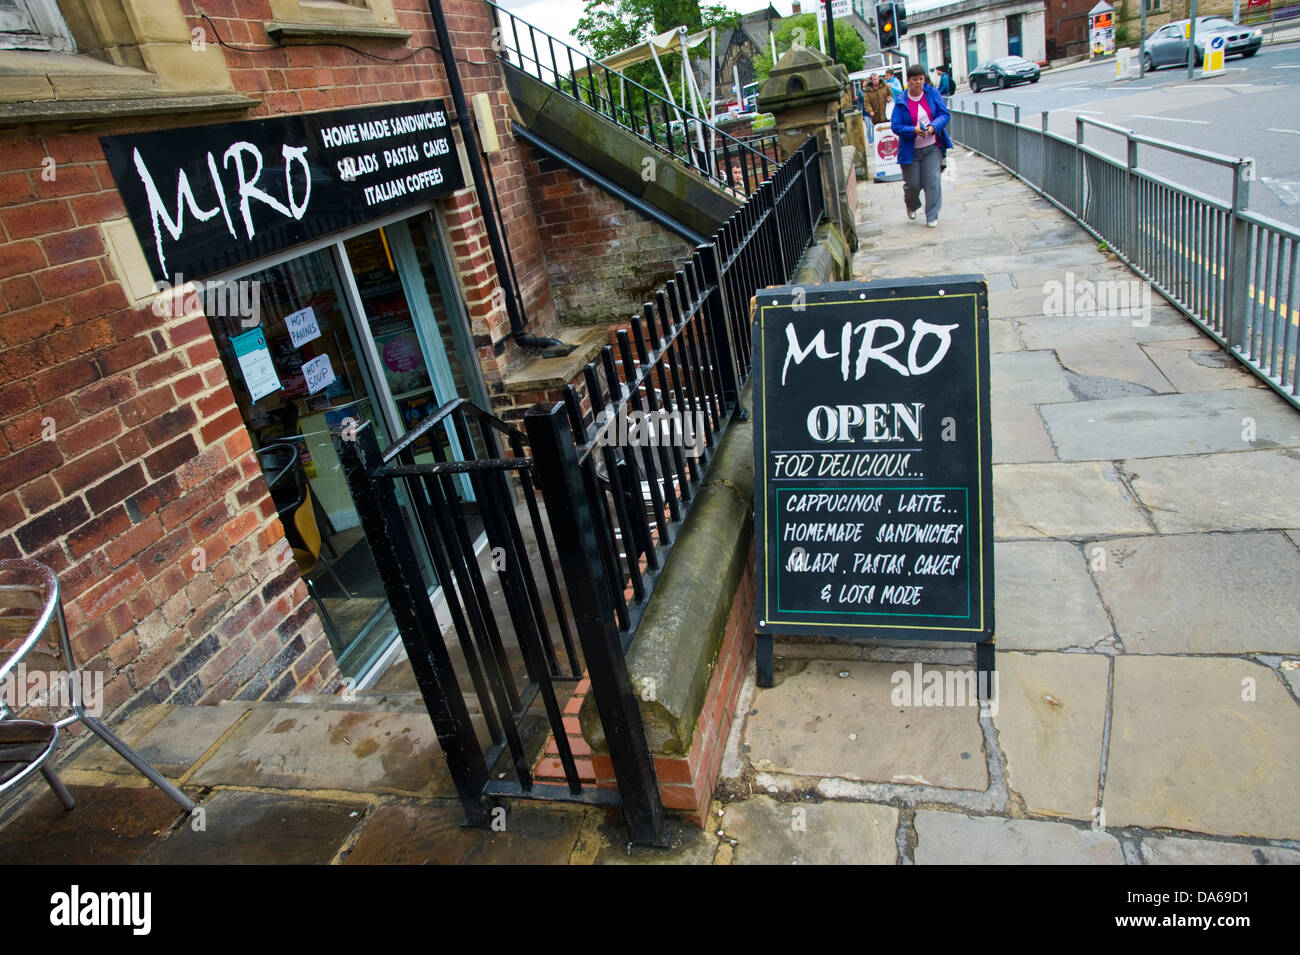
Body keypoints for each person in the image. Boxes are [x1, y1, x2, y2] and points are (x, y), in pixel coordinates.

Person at [891, 63, 952, 227]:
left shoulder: (932, 93)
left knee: (932, 182)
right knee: (913, 185)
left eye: (921, 79)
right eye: (914, 79)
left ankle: (932, 215)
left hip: (932, 147)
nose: (918, 83)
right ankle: (911, 204)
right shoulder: (901, 101)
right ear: (908, 81)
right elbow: (895, 126)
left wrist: (933, 127)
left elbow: (944, 114)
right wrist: (913, 130)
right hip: (911, 151)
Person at [863, 73, 891, 141]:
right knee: (880, 136)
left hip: (886, 114)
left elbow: (890, 94)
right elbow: (867, 103)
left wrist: (889, 98)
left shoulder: (885, 86)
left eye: (877, 78)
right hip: (876, 116)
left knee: (888, 134)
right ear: (871, 81)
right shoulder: (868, 91)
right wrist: (870, 111)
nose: (876, 80)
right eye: (874, 79)